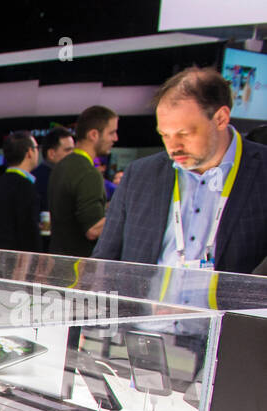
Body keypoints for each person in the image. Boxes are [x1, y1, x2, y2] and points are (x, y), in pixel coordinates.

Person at [94, 67, 267, 275]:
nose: (173, 147)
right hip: (148, 306)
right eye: (165, 135)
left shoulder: (261, 170)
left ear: (220, 118)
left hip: (233, 306)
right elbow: (104, 261)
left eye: (184, 133)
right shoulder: (140, 175)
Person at [49, 105, 117, 256]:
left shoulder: (61, 166)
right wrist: (125, 213)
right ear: (93, 134)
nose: (115, 138)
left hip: (59, 260)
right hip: (79, 268)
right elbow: (93, 229)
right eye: (111, 133)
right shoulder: (88, 173)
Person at [0, 131, 41, 252]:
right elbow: (28, 233)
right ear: (29, 152)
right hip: (19, 261)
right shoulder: (26, 187)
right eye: (36, 148)